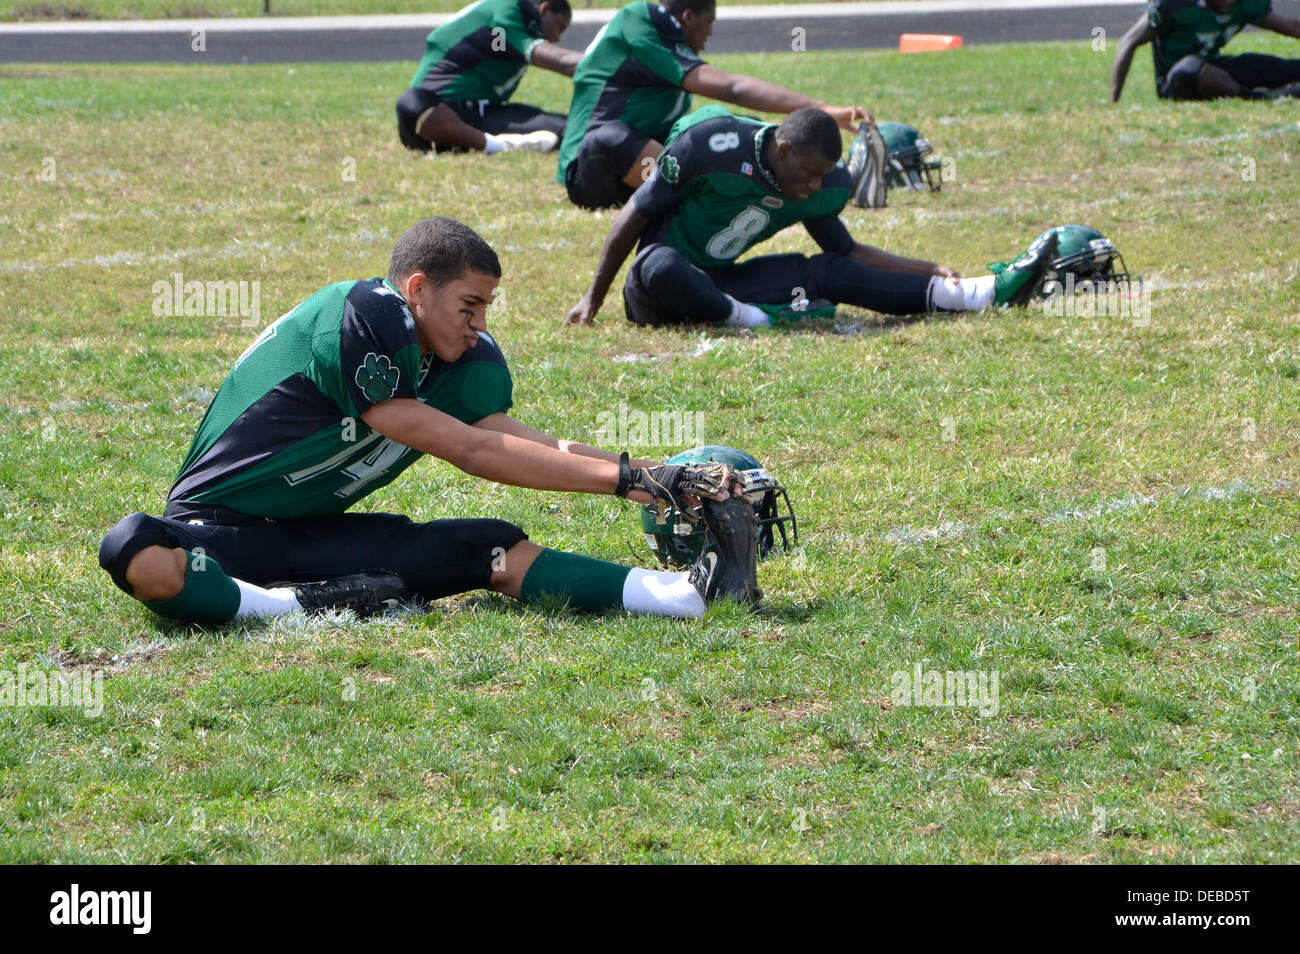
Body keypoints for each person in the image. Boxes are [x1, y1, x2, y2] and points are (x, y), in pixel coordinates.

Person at [99, 217, 761, 626]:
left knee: (493, 548)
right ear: (416, 289)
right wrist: (623, 483)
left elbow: (526, 441)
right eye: (469, 306)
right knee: (133, 549)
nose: (479, 328)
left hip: (313, 538)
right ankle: (291, 611)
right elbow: (471, 450)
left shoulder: (457, 358)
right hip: (220, 531)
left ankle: (683, 596)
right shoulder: (361, 315)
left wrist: (652, 473)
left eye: (487, 309)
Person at [564, 106, 1059, 330]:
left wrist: (926, 266)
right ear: (781, 150)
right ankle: (755, 320)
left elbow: (846, 252)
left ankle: (977, 294)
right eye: (810, 173)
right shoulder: (709, 144)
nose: (816, 187)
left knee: (826, 273)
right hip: (659, 292)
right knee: (662, 263)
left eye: (825, 175)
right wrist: (593, 297)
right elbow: (634, 215)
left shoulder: (821, 186)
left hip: (726, 282)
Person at [556, 0, 866, 209]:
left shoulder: (658, 33)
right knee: (610, 138)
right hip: (592, 172)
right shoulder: (642, 20)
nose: (710, 33)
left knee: (739, 131)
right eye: (710, 22)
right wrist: (819, 107)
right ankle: (724, 190)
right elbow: (732, 87)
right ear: (688, 17)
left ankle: (839, 178)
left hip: (643, 160)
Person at [397, 0, 582, 154]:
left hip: (483, 113)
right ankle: (498, 146)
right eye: (558, 27)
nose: (557, 38)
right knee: (412, 102)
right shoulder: (509, 11)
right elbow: (560, 61)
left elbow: (498, 49)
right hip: (441, 110)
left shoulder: (503, 37)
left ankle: (487, 142)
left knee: (572, 129)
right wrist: (601, 68)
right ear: (545, 8)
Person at [1110, 0, 1300, 102]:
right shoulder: (1175, 5)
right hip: (1177, 80)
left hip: (1214, 66)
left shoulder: (1243, 4)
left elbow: (1292, 27)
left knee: (1261, 64)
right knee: (1192, 67)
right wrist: (1113, 100)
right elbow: (1128, 42)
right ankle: (1260, 97)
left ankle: (1285, 89)